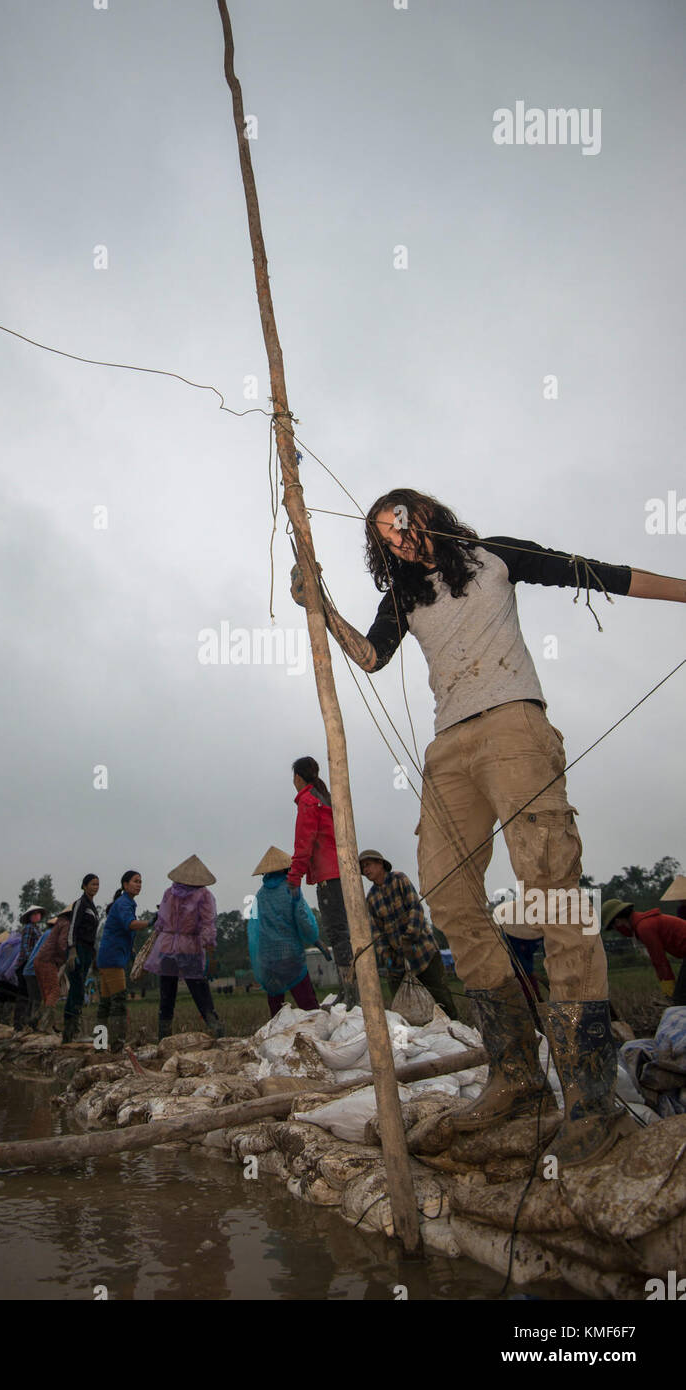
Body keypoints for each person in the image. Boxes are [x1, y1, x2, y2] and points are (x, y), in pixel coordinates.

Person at [291, 486, 685, 1167]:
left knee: (550, 889)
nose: (401, 541)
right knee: (446, 893)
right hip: (448, 748)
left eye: (405, 525)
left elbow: (602, 574)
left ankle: (589, 1095)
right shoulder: (402, 599)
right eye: (387, 538)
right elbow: (368, 656)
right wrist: (317, 604)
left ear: (429, 517)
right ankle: (515, 1075)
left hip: (513, 726)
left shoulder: (495, 556)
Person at [287, 756, 357, 1009]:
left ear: (298, 777)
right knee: (349, 932)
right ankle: (352, 990)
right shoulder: (325, 798)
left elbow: (304, 842)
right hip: (344, 873)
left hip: (329, 875)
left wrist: (294, 878)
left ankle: (351, 993)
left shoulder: (308, 800)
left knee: (338, 934)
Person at [359, 850, 458, 1019]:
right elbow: (377, 932)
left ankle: (456, 1029)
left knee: (441, 999)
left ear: (380, 864)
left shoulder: (399, 879)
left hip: (423, 952)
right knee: (404, 1008)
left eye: (368, 864)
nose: (365, 870)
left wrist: (410, 937)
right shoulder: (371, 898)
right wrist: (386, 955)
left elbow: (415, 908)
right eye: (363, 867)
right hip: (399, 961)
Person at [143, 855, 224, 1042]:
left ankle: (163, 1036)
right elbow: (207, 924)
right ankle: (216, 1028)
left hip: (167, 947)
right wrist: (210, 948)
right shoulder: (204, 895)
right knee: (200, 991)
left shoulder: (169, 893)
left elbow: (160, 923)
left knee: (167, 993)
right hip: (189, 948)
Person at [247, 846, 320, 1016]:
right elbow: (303, 919)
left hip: (268, 959)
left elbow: (255, 929)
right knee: (308, 1004)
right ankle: (315, 1033)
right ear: (287, 868)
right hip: (290, 955)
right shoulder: (291, 888)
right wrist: (313, 936)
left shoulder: (260, 895)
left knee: (276, 1006)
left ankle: (276, 1035)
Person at [95, 871, 150, 1051]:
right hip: (113, 958)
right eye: (135, 881)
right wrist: (151, 923)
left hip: (107, 956)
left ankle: (100, 1045)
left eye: (140, 882)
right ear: (125, 885)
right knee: (118, 1000)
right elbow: (130, 924)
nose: (139, 884)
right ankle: (117, 1045)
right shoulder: (124, 903)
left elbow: (125, 931)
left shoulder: (126, 903)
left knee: (105, 1003)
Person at [603, 899, 686, 1005]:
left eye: (615, 927)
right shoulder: (643, 923)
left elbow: (660, 961)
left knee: (681, 999)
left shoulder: (644, 927)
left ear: (618, 921)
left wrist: (669, 990)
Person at [64, 875, 100, 1044]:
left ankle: (71, 1031)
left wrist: (93, 955)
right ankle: (71, 1030)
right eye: (92, 884)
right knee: (76, 989)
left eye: (97, 884)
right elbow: (72, 928)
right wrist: (72, 950)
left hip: (87, 950)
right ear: (84, 886)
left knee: (78, 989)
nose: (95, 887)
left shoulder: (93, 906)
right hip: (77, 950)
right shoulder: (81, 903)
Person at [34, 908, 73, 1034]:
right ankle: (45, 1025)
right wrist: (67, 956)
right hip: (48, 960)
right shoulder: (66, 924)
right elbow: (62, 944)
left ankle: (44, 1024)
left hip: (41, 960)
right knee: (55, 991)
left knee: (47, 993)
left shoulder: (59, 924)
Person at [14, 906, 45, 1031]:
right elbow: (25, 948)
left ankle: (28, 1022)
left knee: (32, 995)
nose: (37, 915)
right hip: (25, 965)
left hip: (32, 965)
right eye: (34, 914)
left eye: (38, 913)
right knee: (24, 995)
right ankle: (19, 1023)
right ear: (29, 916)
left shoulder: (37, 929)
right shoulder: (28, 928)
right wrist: (31, 961)